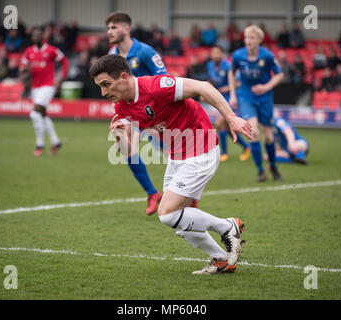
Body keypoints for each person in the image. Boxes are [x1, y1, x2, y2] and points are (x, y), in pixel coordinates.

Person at [90, 54, 253, 274]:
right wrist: (119, 135)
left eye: (106, 84)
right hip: (178, 157)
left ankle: (228, 227)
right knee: (181, 221)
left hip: (201, 149)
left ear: (124, 77)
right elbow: (129, 152)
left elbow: (203, 87)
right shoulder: (121, 107)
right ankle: (221, 259)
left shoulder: (156, 87)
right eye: (100, 87)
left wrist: (232, 118)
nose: (103, 92)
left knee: (168, 213)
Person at [105, 11, 167, 216]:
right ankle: (152, 192)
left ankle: (188, 198)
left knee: (175, 154)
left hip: (155, 111)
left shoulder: (145, 52)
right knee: (122, 141)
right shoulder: (112, 54)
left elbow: (163, 78)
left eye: (114, 27)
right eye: (108, 28)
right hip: (129, 111)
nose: (109, 32)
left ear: (126, 29)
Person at [228, 25, 284, 182]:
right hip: (246, 97)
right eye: (246, 37)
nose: (248, 41)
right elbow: (231, 73)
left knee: (268, 137)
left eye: (252, 38)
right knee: (253, 133)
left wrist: (266, 87)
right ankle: (260, 170)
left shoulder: (267, 56)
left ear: (259, 40)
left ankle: (272, 166)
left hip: (265, 98)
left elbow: (279, 75)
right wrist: (233, 94)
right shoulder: (238, 55)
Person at [20, 28, 68, 156]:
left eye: (38, 35)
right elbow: (23, 67)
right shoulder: (29, 52)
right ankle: (56, 142)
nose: (36, 37)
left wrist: (61, 79)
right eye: (34, 35)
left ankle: (39, 144)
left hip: (48, 86)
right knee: (42, 115)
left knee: (34, 114)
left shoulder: (51, 50)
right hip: (35, 88)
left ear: (43, 37)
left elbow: (64, 61)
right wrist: (24, 73)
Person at [206, 45, 250, 162]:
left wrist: (227, 87)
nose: (215, 55)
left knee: (219, 123)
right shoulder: (209, 65)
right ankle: (246, 147)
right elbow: (211, 81)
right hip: (219, 99)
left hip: (231, 99)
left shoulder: (228, 66)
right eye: (213, 53)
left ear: (222, 55)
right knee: (227, 127)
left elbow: (239, 83)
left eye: (217, 53)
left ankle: (224, 153)